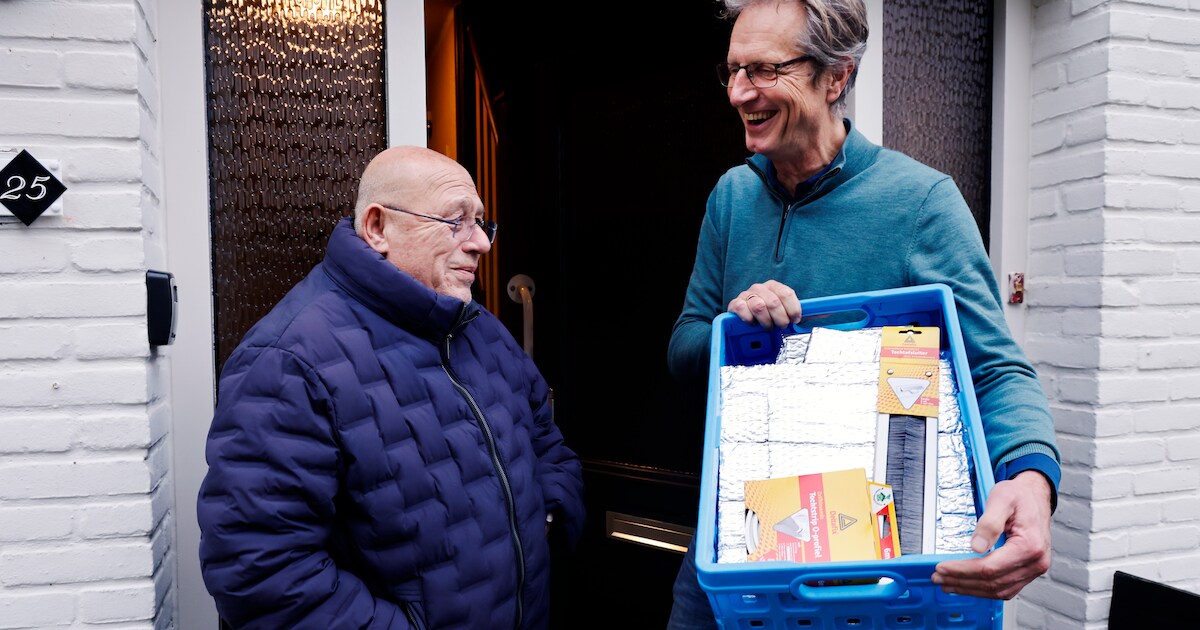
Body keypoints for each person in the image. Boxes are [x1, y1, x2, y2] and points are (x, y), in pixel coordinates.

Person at [665, 0, 1060, 626]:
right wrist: (735, 326)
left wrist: (1032, 480)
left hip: (876, 566)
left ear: (837, 77)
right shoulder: (731, 197)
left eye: (766, 70)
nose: (741, 92)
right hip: (740, 544)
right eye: (734, 70)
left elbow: (995, 369)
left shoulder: (922, 202)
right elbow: (687, 347)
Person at [197, 146, 585, 629]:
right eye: (454, 220)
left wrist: (548, 512)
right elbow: (262, 571)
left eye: (481, 222)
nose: (481, 243)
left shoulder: (481, 329)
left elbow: (545, 440)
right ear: (378, 228)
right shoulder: (288, 361)